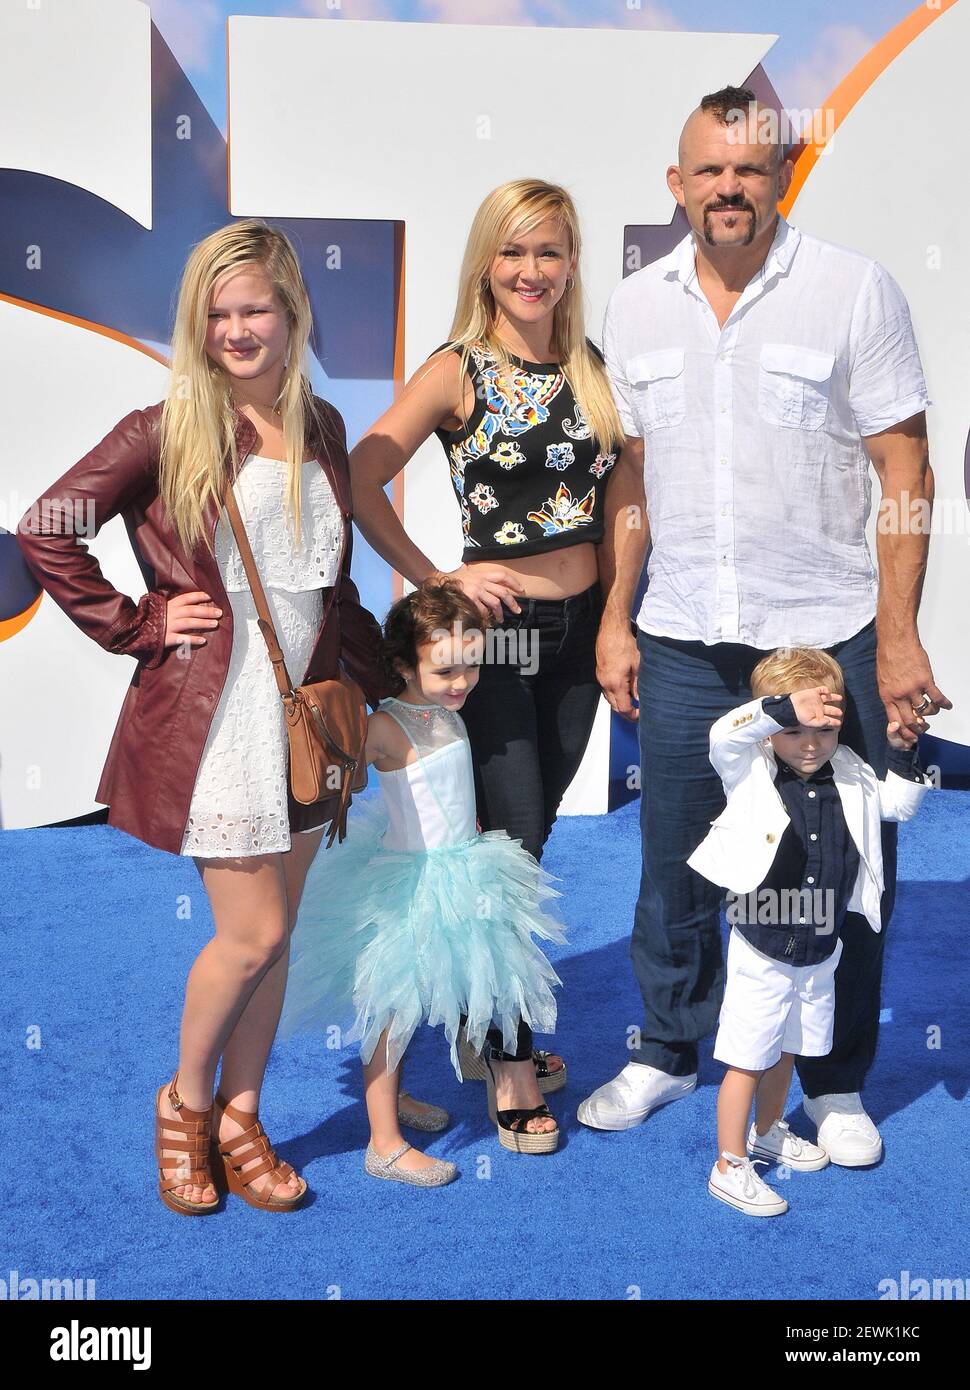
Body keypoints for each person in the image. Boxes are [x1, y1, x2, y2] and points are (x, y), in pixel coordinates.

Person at [582, 85, 951, 1162]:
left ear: (779, 176)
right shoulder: (633, 308)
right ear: (676, 185)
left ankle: (833, 1083)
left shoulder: (852, 291)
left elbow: (905, 468)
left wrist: (895, 634)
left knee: (843, 864)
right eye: (709, 171)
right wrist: (617, 613)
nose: (729, 189)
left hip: (827, 631)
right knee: (677, 857)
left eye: (749, 170)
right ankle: (666, 1047)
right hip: (687, 633)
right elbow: (632, 475)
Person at [16, 219, 388, 1214]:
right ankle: (183, 1105)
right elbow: (45, 526)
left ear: (291, 311)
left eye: (254, 307)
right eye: (217, 312)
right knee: (250, 930)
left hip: (308, 717)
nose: (236, 328)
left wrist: (375, 696)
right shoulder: (165, 424)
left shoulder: (322, 428)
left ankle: (242, 1116)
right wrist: (136, 620)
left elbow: (332, 588)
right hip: (218, 718)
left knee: (283, 933)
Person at [349, 178, 623, 1124]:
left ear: (571, 263)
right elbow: (363, 474)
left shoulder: (591, 366)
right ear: (486, 264)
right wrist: (439, 579)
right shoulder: (457, 368)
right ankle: (506, 1062)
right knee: (507, 846)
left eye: (549, 251)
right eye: (513, 252)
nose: (531, 270)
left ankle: (479, 1018)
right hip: (497, 644)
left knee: (528, 846)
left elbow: (623, 502)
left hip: (583, 639)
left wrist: (617, 615)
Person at [279, 577, 568, 1181]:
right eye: (444, 671)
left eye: (470, 666)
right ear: (403, 666)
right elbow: (342, 772)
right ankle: (382, 1140)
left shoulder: (448, 710)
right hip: (411, 884)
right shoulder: (386, 725)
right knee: (394, 1005)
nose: (461, 682)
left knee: (466, 977)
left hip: (468, 868)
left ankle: (402, 1098)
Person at [687, 648, 930, 1216]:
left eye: (821, 729)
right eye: (792, 730)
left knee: (790, 1048)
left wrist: (903, 750)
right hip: (763, 946)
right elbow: (725, 734)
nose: (810, 744)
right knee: (747, 1058)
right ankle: (729, 1164)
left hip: (823, 948)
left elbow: (900, 806)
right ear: (771, 726)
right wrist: (777, 708)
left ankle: (769, 1130)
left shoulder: (851, 771)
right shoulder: (746, 769)